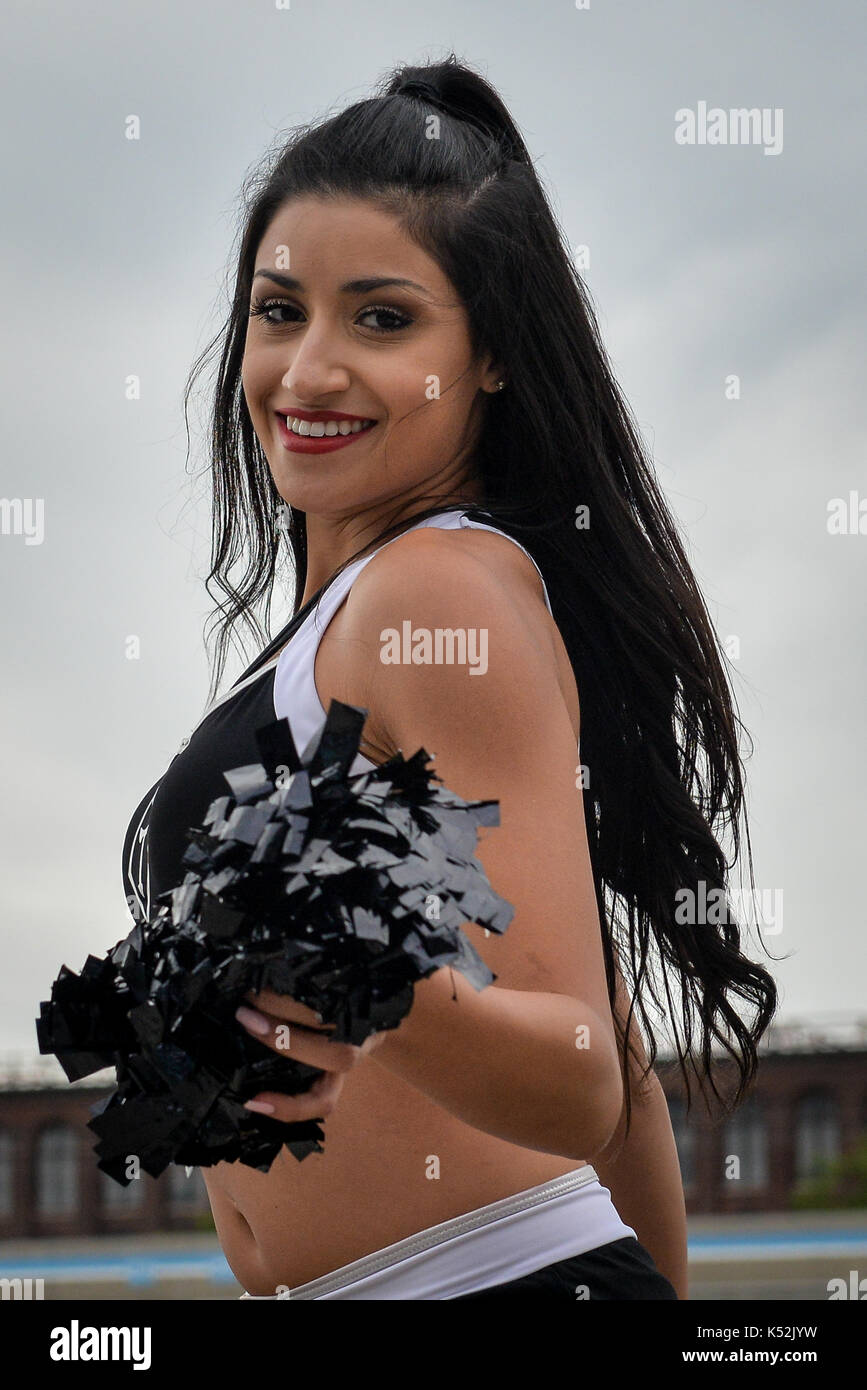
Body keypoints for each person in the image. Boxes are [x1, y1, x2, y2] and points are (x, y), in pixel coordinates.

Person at [122, 55, 778, 1301]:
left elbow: (576, 1077)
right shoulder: (361, 619)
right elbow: (615, 1047)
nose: (307, 372)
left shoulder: (441, 593)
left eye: (381, 317)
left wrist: (360, 976)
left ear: (492, 355)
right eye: (278, 310)